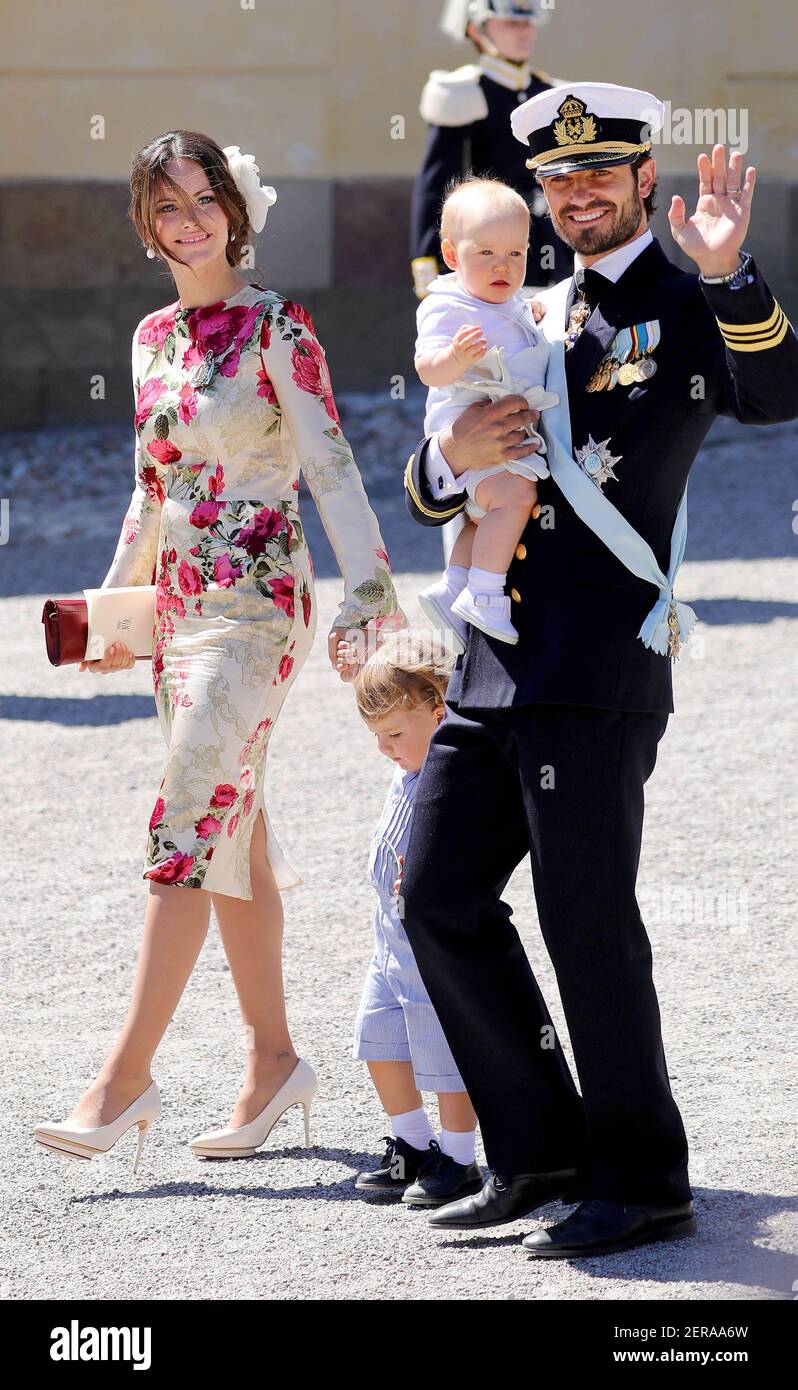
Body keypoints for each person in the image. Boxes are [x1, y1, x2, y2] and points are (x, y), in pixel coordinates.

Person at [402, 82, 798, 1257]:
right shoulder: (522, 307)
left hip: (596, 662)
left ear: (639, 181)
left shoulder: (684, 301)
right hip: (494, 660)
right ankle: (539, 1149)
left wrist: (730, 272)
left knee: (586, 918)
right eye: (559, 183)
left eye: (600, 177)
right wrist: (444, 457)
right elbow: (449, 474)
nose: (578, 196)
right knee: (437, 894)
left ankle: (641, 1174)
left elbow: (776, 394)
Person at [33, 131, 404, 1173]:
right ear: (146, 226)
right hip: (180, 614)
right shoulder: (151, 336)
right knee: (234, 836)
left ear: (233, 208)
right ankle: (276, 1061)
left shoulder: (282, 326)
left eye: (203, 200)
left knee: (185, 820)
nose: (188, 221)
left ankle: (124, 1078)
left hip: (258, 609)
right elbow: (151, 489)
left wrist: (371, 595)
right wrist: (110, 616)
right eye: (167, 207)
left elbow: (330, 467)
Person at [339, 629, 481, 1207]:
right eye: (377, 737)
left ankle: (460, 1156)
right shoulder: (408, 761)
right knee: (379, 1041)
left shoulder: (453, 773)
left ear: (439, 710)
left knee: (442, 1049)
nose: (386, 748)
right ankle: (412, 1142)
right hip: (388, 939)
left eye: (395, 733)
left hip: (429, 946)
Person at [414, 176, 557, 648]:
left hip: (504, 436)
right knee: (515, 498)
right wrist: (454, 357)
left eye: (516, 254)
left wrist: (529, 316)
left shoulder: (511, 302)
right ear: (453, 256)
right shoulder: (447, 305)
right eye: (487, 253)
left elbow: (518, 329)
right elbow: (427, 368)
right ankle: (485, 592)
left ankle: (454, 583)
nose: (504, 265)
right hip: (471, 437)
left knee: (482, 517)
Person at [410, 0, 572, 302]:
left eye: (527, 23)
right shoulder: (463, 92)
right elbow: (437, 187)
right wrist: (430, 260)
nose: (524, 32)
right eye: (511, 24)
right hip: (489, 253)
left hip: (555, 249)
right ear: (476, 30)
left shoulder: (550, 92)